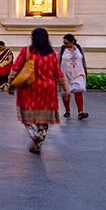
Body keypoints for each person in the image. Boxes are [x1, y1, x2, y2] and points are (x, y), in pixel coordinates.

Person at [10, 26, 68, 154]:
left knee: (27, 115)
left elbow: (15, 69)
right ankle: (39, 143)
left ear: (32, 38)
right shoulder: (52, 53)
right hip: (47, 89)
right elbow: (58, 73)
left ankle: (32, 132)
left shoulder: (26, 51)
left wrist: (10, 84)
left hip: (29, 88)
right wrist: (65, 88)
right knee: (44, 118)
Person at [58, 34, 89, 119]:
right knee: (66, 93)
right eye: (64, 42)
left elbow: (83, 60)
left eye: (67, 43)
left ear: (72, 41)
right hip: (65, 73)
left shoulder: (79, 48)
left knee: (78, 91)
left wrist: (85, 71)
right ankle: (67, 111)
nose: (65, 44)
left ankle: (80, 112)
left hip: (78, 73)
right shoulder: (62, 49)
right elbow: (58, 60)